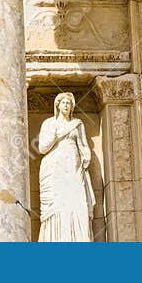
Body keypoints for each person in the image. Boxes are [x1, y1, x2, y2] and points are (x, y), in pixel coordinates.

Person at [36, 92, 94, 241]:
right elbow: (42, 148)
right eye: (64, 103)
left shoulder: (77, 123)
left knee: (77, 201)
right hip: (55, 166)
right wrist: (55, 135)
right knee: (57, 203)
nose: (66, 105)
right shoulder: (50, 123)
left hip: (73, 165)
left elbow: (83, 144)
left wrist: (87, 156)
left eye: (69, 103)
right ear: (58, 105)